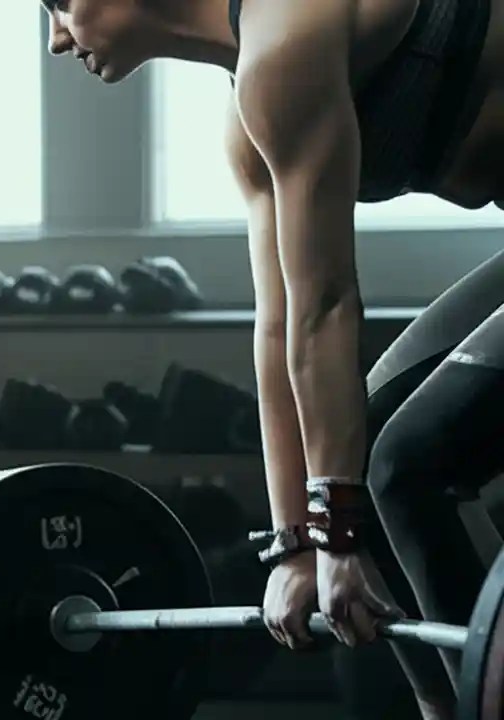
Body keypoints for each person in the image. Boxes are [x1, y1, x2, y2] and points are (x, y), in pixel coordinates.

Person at [41, 0, 504, 717]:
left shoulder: (288, 32)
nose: (57, 37)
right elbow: (281, 322)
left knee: (405, 463)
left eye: (58, 4)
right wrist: (296, 545)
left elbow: (328, 307)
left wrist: (337, 537)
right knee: (366, 449)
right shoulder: (249, 112)